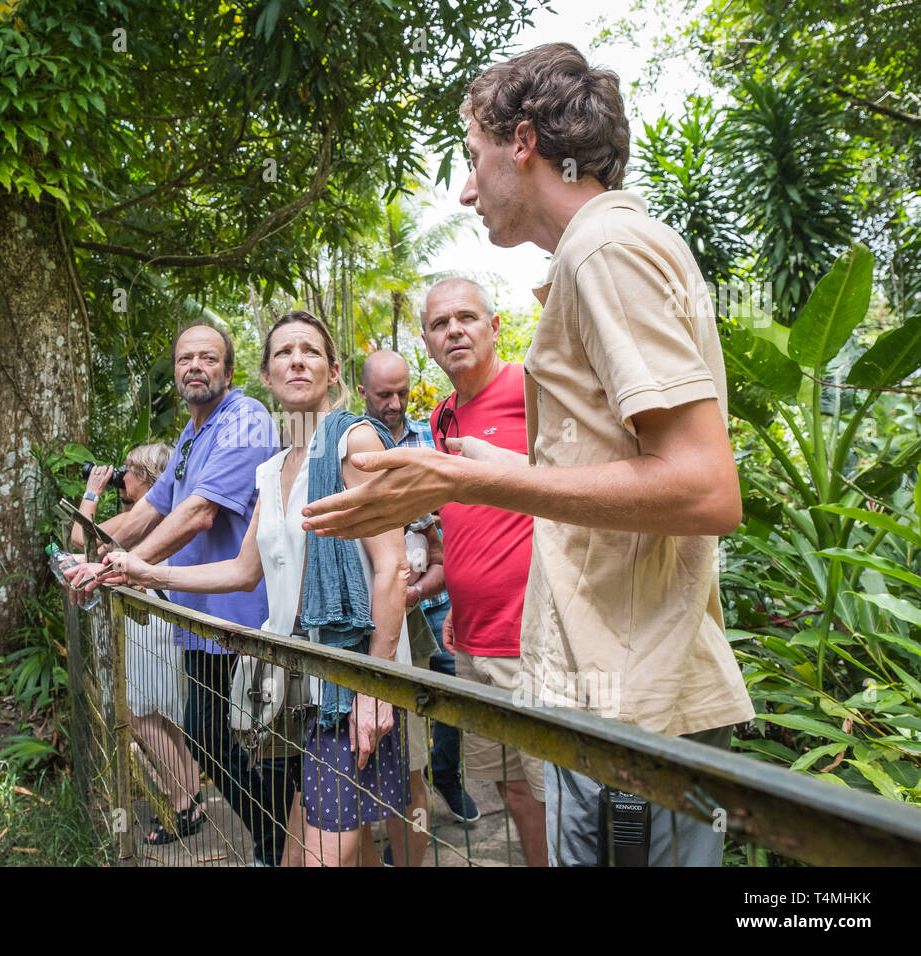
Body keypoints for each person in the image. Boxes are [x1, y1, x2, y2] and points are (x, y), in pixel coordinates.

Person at [300, 42, 755, 867]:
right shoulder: (587, 259)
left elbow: (704, 487)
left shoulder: (604, 249)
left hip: (635, 703)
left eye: (472, 160)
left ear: (522, 141)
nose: (468, 190)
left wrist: (471, 477)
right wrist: (500, 473)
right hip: (601, 694)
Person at [105, 312, 416, 867]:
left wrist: (372, 684)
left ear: (334, 372)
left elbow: (392, 567)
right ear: (267, 378)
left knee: (318, 857)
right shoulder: (272, 469)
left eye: (310, 351)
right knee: (335, 851)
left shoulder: (355, 440)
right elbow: (244, 570)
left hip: (347, 679)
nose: (297, 360)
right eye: (283, 353)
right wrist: (148, 573)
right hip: (294, 685)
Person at [62, 323, 292, 867]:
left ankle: (283, 843)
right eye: (185, 358)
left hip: (241, 621)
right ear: (175, 373)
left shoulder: (244, 419)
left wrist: (137, 566)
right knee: (216, 739)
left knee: (252, 744)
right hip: (198, 622)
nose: (195, 366)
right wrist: (94, 558)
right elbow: (148, 512)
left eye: (208, 358)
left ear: (228, 371)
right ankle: (278, 841)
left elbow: (199, 512)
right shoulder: (190, 435)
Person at [421, 278, 548, 865]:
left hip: (535, 638)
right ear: (427, 340)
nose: (454, 331)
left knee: (558, 789)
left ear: (494, 326)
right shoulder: (441, 416)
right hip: (470, 636)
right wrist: (454, 604)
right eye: (440, 324)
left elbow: (581, 479)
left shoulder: (532, 387)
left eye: (467, 317)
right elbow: (457, 518)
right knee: (507, 782)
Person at [358, 348, 480, 829]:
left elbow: (447, 521)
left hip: (438, 598)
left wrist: (432, 581)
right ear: (363, 391)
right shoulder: (356, 444)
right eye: (384, 394)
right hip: (387, 602)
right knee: (395, 707)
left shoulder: (431, 438)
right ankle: (396, 812)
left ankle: (445, 775)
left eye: (403, 392)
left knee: (450, 695)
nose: (395, 402)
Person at [76, 444, 206, 846]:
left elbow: (79, 535)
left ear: (148, 479)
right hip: (161, 622)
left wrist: (93, 489)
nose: (122, 478)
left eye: (128, 472)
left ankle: (181, 806)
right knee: (165, 719)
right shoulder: (173, 514)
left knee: (140, 717)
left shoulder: (142, 517)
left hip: (146, 624)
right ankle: (190, 799)